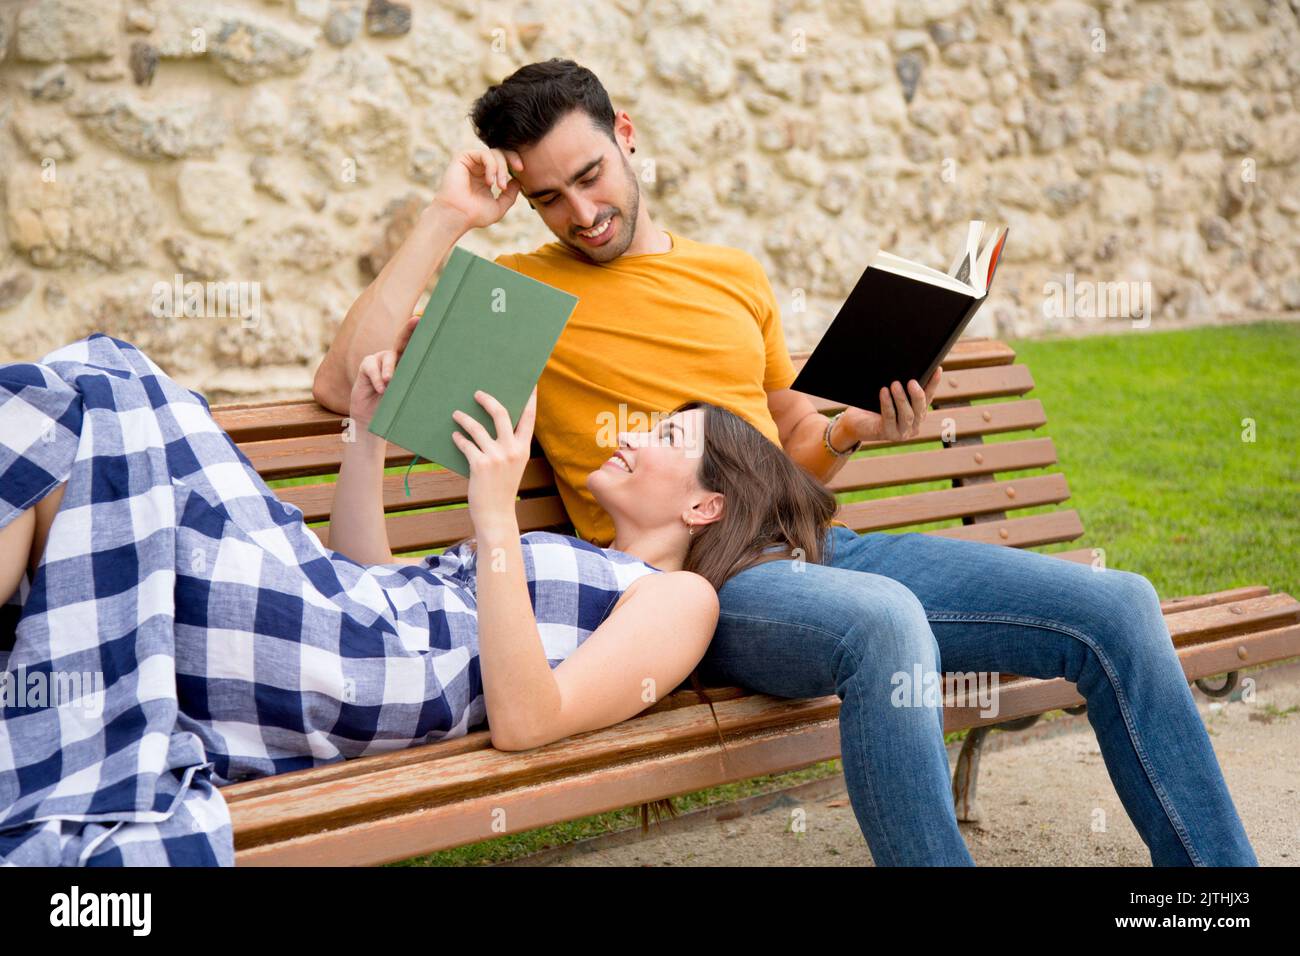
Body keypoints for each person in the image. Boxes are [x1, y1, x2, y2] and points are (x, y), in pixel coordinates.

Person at [311, 58, 1259, 866]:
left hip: (820, 549)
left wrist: (853, 429)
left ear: (627, 136)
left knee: (1120, 605)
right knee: (885, 625)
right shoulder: (518, 290)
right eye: (549, 195)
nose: (581, 213)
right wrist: (446, 220)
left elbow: (794, 451)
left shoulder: (732, 274)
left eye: (591, 176)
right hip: (693, 588)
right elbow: (342, 381)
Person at [0, 327, 834, 865]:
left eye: (662, 438)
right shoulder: (580, 557)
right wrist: (365, 433)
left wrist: (495, 514)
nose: (632, 437)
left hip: (353, 674)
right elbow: (375, 583)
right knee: (67, 406)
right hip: (345, 627)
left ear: (704, 507)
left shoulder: (679, 599)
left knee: (105, 383)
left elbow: (529, 721)